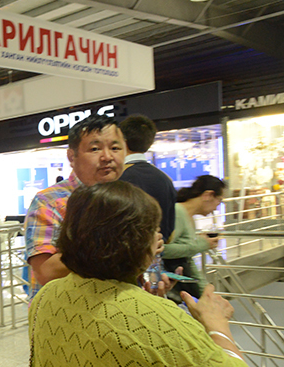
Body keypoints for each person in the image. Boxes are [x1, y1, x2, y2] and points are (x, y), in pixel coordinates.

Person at [28, 180, 261, 367]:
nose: (159, 239)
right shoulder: (159, 320)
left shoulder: (48, 297)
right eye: (152, 231)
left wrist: (150, 303)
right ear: (130, 242)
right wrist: (218, 328)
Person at [25, 115, 125, 296]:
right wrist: (121, 247)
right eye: (95, 149)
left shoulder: (129, 199)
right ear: (72, 156)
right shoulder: (50, 202)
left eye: (115, 148)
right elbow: (46, 271)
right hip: (65, 317)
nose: (107, 157)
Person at [163, 175, 225, 298]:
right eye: (219, 200)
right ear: (208, 195)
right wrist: (203, 244)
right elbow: (162, 250)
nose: (217, 207)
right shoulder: (178, 213)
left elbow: (186, 258)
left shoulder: (188, 216)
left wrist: (205, 292)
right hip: (170, 289)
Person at [118, 114, 177, 242]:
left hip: (124, 257)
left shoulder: (117, 178)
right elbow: (170, 232)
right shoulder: (165, 180)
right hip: (156, 256)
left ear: (123, 141)